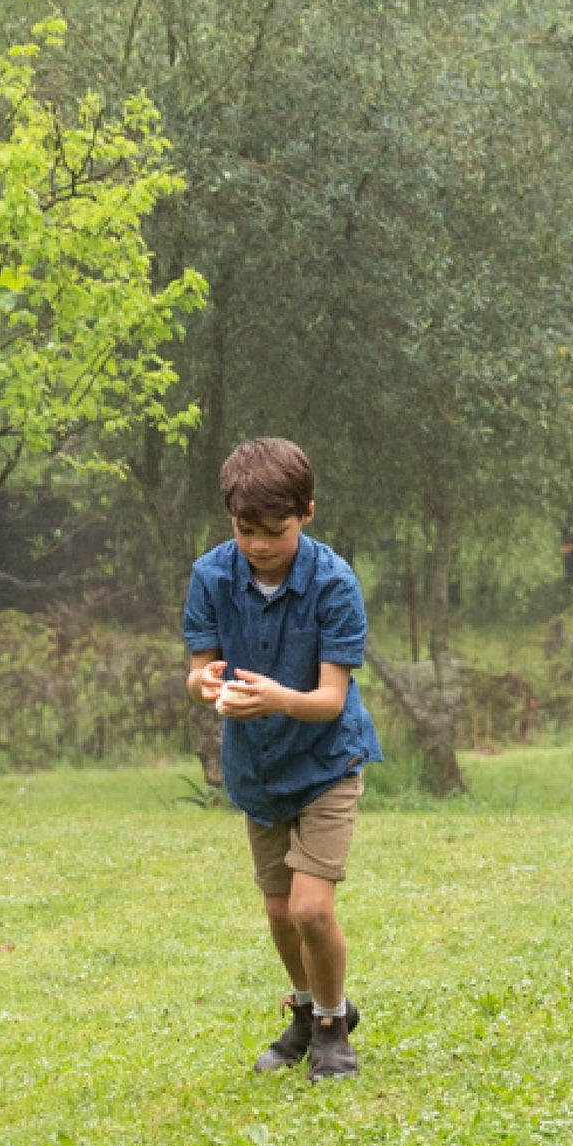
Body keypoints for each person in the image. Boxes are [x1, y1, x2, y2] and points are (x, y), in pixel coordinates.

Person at [183, 438, 382, 1079]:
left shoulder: (334, 583)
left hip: (326, 764)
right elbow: (197, 671)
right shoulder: (211, 576)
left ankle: (332, 1026)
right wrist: (208, 685)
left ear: (307, 514)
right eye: (247, 530)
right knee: (277, 910)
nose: (260, 544)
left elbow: (330, 700)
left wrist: (275, 699)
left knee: (310, 909)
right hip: (258, 769)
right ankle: (305, 1010)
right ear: (231, 519)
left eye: (277, 530)